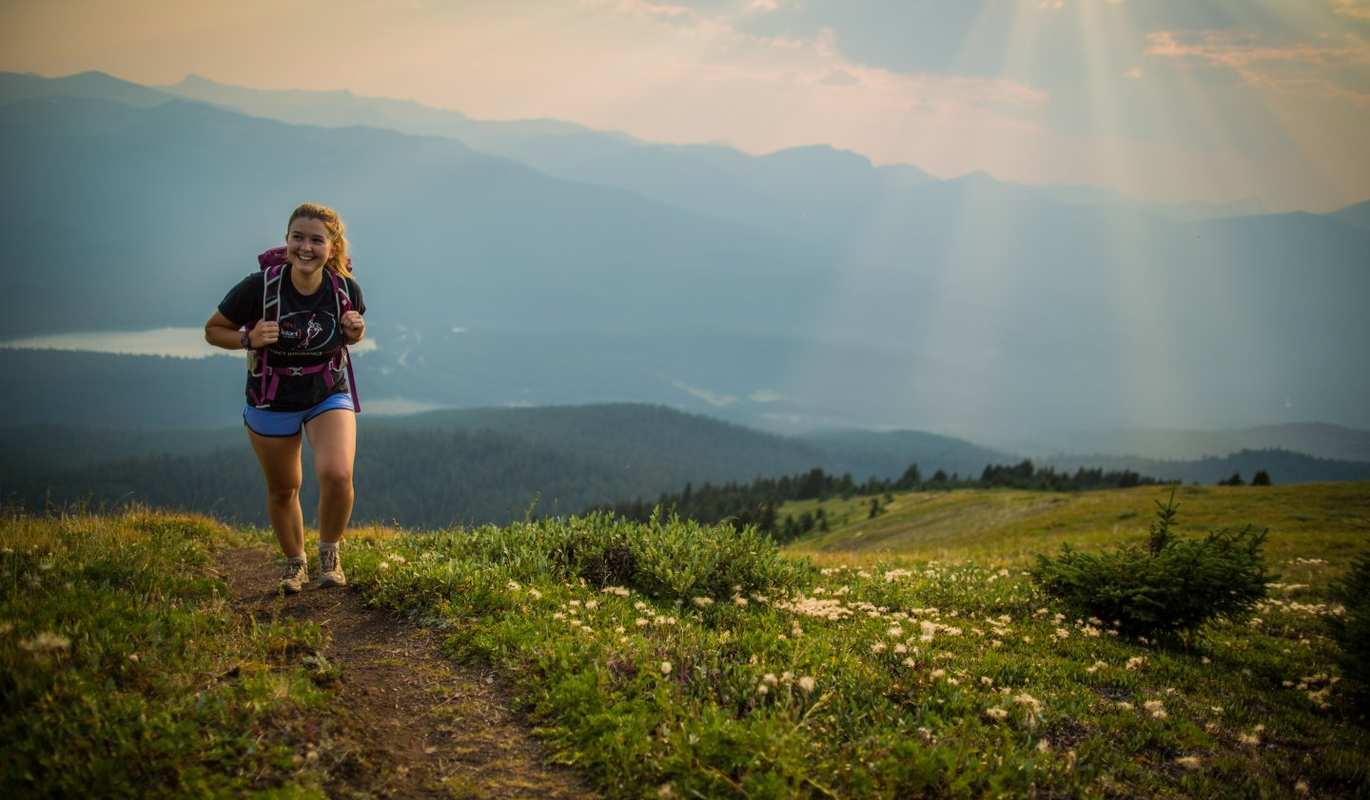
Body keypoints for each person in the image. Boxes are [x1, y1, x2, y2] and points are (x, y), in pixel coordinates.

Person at [205, 203, 367, 594]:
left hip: (326, 391)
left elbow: (351, 334)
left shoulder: (345, 289)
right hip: (270, 397)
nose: (305, 247)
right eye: (298, 237)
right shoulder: (259, 287)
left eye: (316, 240)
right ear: (287, 240)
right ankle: (295, 563)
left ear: (332, 246)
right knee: (283, 488)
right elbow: (213, 330)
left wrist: (356, 329)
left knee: (337, 474)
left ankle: (329, 553)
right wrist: (248, 338)